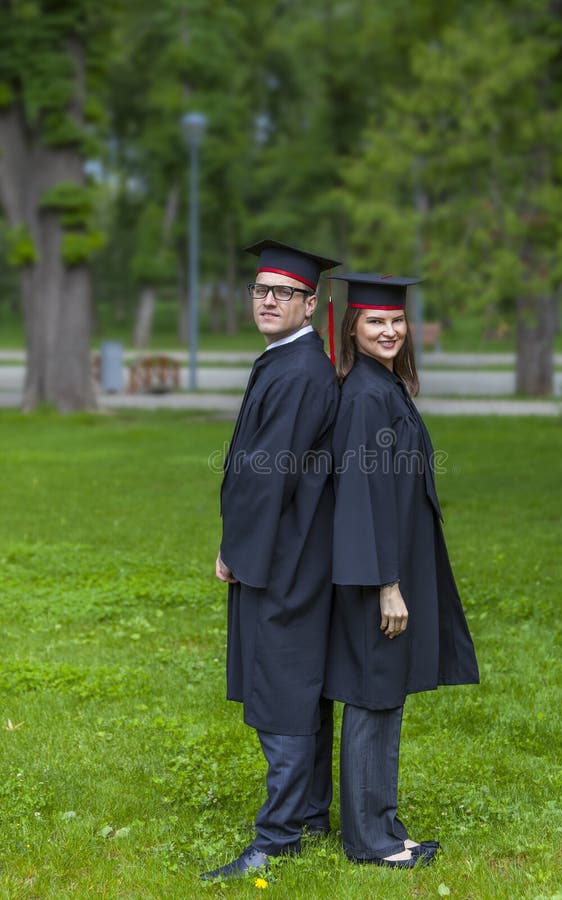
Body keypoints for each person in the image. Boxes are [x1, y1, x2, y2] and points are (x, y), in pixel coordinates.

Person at [323, 273, 480, 869]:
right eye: (374, 322)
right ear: (352, 328)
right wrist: (387, 586)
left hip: (391, 565)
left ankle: (383, 825)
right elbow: (361, 494)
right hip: (375, 576)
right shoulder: (365, 396)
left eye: (396, 321)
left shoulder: (382, 386)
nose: (388, 330)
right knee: (371, 699)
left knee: (384, 698)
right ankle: (370, 842)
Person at [201, 240, 340, 881]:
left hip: (283, 555)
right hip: (293, 549)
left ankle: (279, 834)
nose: (268, 300)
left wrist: (238, 550)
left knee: (282, 682)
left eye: (283, 292)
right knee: (299, 683)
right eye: (261, 290)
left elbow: (268, 474)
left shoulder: (299, 370)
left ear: (311, 302)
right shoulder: (292, 362)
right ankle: (309, 814)